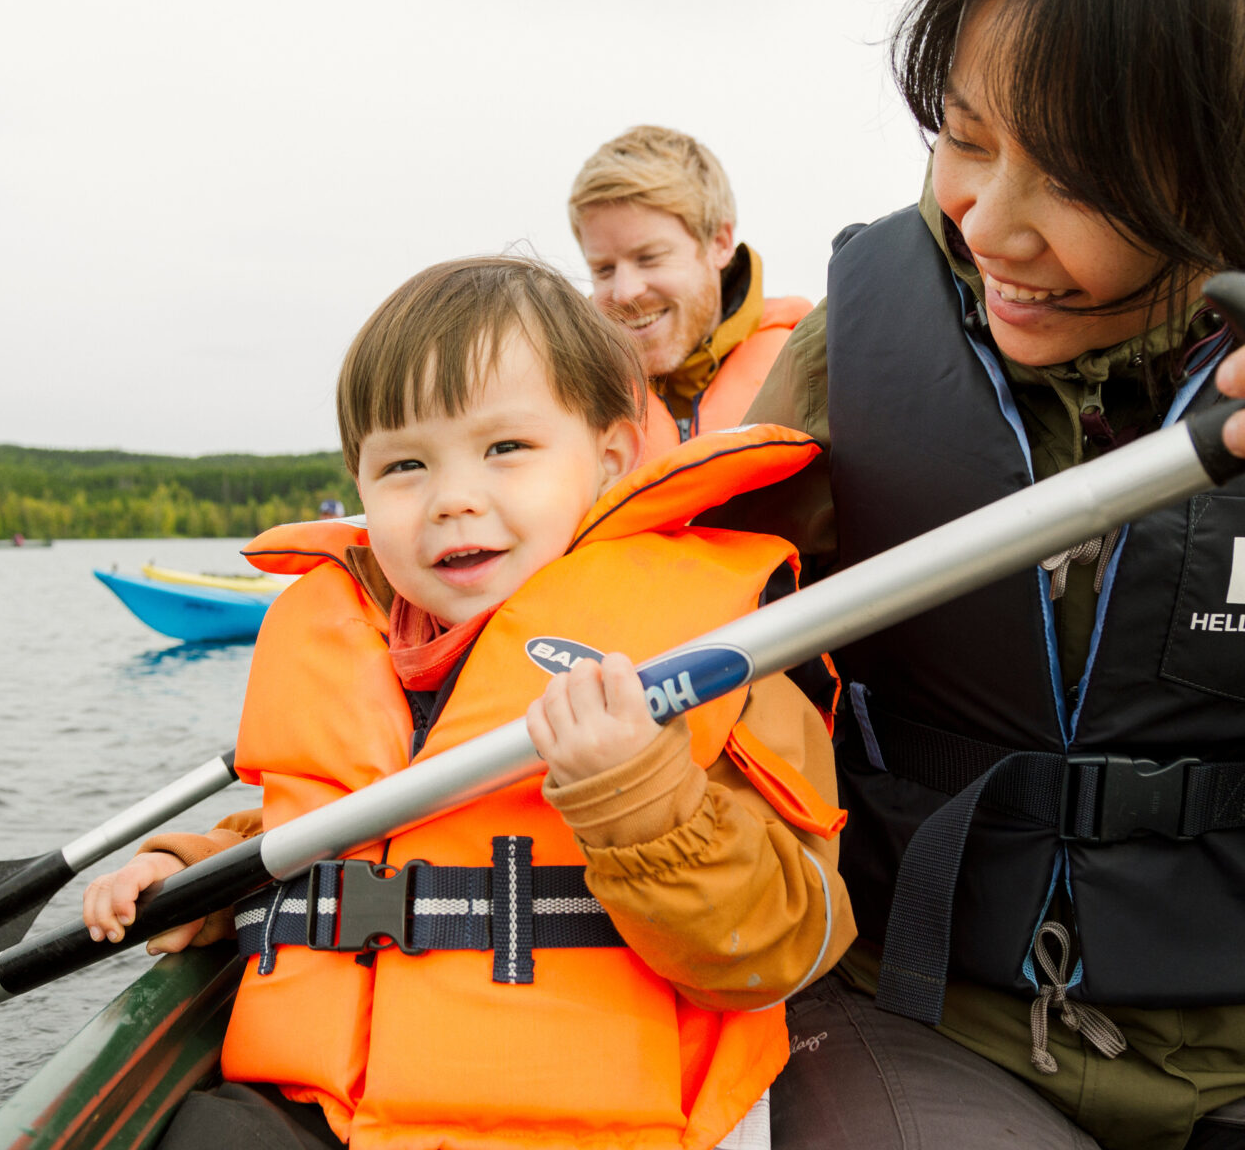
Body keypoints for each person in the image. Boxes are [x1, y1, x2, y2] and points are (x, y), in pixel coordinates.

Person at [725, 0, 1245, 1146]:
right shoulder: (855, 352)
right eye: (965, 136)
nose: (988, 223)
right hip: (921, 1014)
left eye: (1081, 178)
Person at [83, 256, 855, 1149]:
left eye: (505, 449)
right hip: (326, 1117)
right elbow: (322, 829)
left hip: (601, 1124)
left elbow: (787, 944)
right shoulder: (367, 634)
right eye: (405, 465)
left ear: (607, 458)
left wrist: (639, 793)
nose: (453, 500)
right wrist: (194, 875)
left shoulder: (713, 653)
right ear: (361, 487)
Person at [569, 125, 812, 459]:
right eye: (603, 270)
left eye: (649, 258)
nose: (624, 293)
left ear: (719, 243)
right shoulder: (567, 395)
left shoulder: (815, 376)